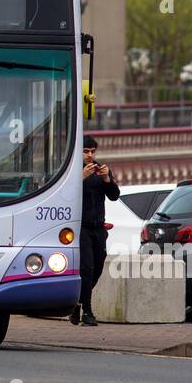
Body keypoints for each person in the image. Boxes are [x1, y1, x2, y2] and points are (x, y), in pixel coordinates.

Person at [72, 135, 119, 327]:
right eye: (85, 151)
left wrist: (107, 179)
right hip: (81, 226)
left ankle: (77, 302)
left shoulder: (101, 170)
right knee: (87, 269)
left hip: (98, 227)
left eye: (92, 151)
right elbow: (67, 195)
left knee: (98, 268)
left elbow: (114, 196)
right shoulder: (73, 171)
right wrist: (81, 178)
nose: (90, 155)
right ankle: (88, 312)